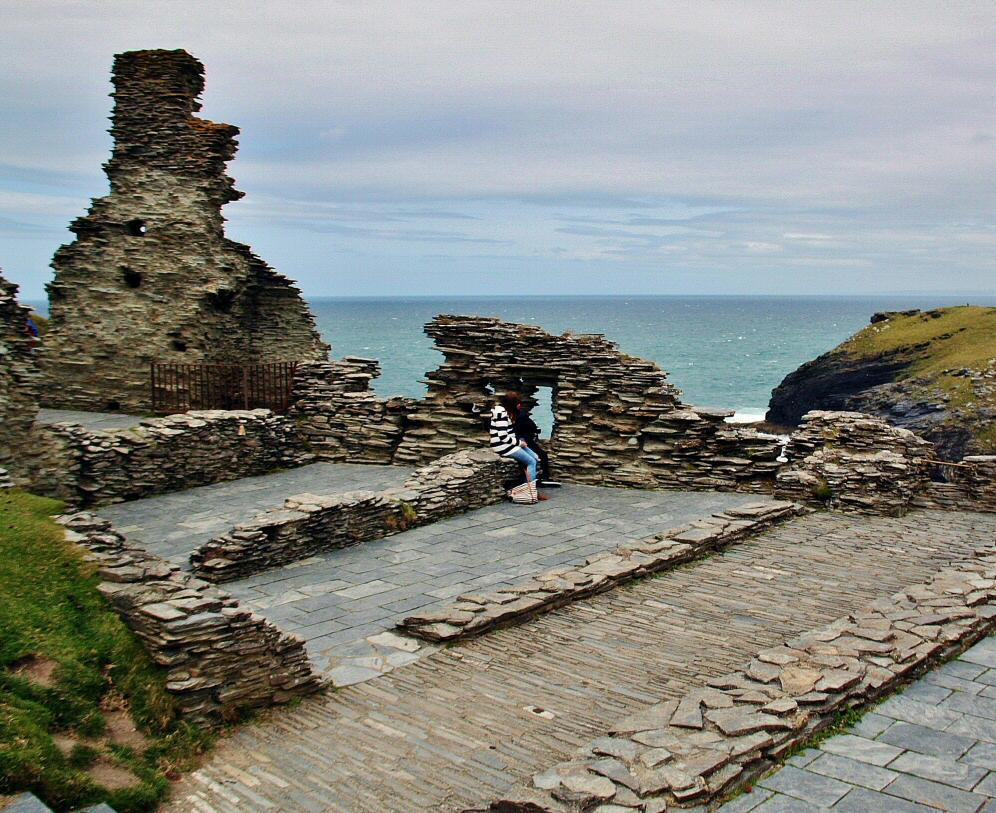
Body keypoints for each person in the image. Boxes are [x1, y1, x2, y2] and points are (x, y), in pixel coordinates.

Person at [489, 390, 548, 502]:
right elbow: (503, 436)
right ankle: (529, 491)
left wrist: (520, 443)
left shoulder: (503, 411)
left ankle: (529, 486)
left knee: (536, 457)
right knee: (531, 461)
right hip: (502, 446)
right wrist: (520, 443)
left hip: (509, 444)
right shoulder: (501, 414)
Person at [513, 397, 559, 487]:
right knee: (539, 457)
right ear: (518, 405)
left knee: (533, 458)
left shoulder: (511, 415)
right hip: (525, 440)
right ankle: (540, 478)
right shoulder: (522, 416)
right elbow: (531, 427)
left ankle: (532, 479)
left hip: (519, 440)